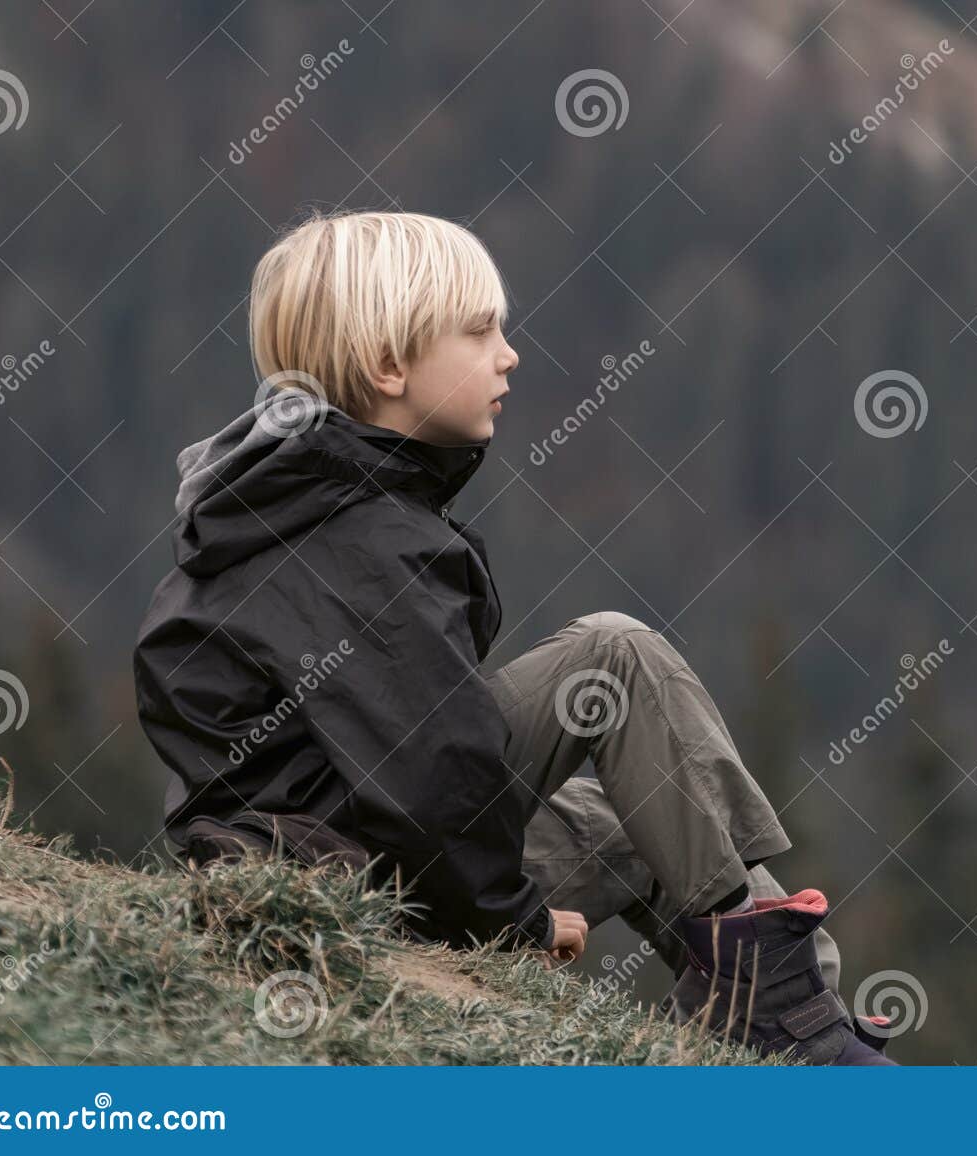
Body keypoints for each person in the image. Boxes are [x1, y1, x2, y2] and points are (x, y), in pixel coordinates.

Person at [132, 210, 893, 1065]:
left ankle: (800, 1021)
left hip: (347, 859)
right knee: (615, 654)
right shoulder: (358, 537)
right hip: (357, 887)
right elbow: (432, 774)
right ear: (389, 366)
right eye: (481, 330)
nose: (509, 354)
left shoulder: (300, 501)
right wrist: (517, 921)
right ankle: (789, 1022)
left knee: (641, 809)